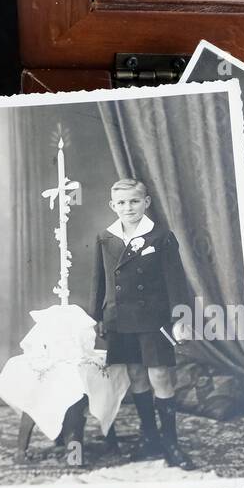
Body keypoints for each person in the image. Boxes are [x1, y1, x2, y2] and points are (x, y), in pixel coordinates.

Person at [91, 178, 196, 469]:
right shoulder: (105, 237)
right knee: (136, 376)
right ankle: (150, 438)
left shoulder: (161, 236)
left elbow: (176, 282)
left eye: (134, 201)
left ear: (146, 202)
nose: (128, 207)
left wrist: (181, 318)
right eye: (122, 203)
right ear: (113, 206)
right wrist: (96, 317)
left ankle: (171, 443)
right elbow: (99, 283)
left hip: (153, 319)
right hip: (119, 319)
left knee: (159, 376)